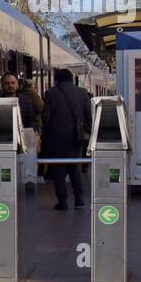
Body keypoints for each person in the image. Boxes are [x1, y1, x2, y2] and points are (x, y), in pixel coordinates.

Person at [41, 68, 92, 210]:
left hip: (56, 138)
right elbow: (88, 116)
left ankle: (62, 201)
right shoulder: (82, 93)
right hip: (76, 137)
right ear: (71, 79)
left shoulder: (50, 93)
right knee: (74, 167)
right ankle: (79, 197)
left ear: (56, 80)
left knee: (58, 169)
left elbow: (46, 118)